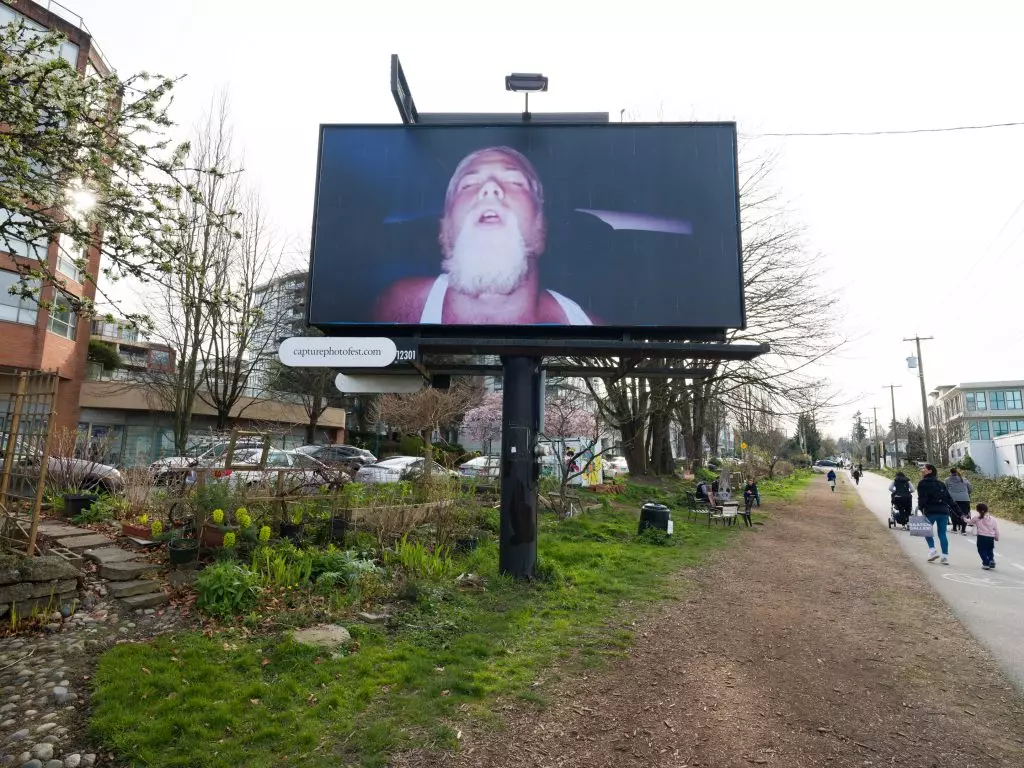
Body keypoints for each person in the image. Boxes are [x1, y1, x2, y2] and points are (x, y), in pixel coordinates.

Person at [373, 146, 599, 326]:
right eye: (468, 184)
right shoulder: (396, 303)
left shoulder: (588, 325)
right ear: (445, 232)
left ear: (540, 228)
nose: (490, 188)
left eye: (515, 182)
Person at [917, 463, 953, 564]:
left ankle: (932, 550)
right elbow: (949, 499)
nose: (922, 469)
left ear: (930, 471)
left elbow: (922, 498)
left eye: (924, 468)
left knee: (925, 530)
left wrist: (921, 508)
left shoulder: (922, 483)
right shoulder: (941, 483)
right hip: (944, 512)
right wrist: (959, 512)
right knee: (942, 534)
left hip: (930, 511)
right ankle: (945, 557)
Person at [970, 503, 999, 570]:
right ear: (986, 509)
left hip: (982, 537)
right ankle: (991, 560)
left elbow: (970, 522)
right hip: (991, 537)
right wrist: (997, 537)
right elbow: (996, 529)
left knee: (981, 550)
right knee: (989, 549)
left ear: (977, 510)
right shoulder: (993, 519)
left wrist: (964, 519)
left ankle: (986, 563)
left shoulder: (976, 518)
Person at [946, 467, 973, 535]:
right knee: (965, 513)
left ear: (950, 473)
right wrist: (966, 493)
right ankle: (963, 530)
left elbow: (945, 490)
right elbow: (970, 488)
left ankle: (954, 528)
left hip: (953, 499)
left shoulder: (947, 480)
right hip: (964, 498)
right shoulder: (964, 479)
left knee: (953, 513)